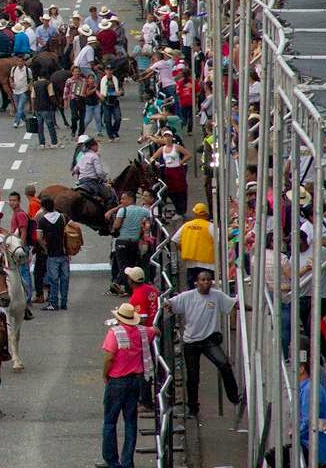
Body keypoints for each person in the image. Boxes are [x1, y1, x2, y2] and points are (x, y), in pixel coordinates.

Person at [165, 269, 241, 419]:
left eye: (208, 280)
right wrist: (166, 306)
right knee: (193, 377)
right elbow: (170, 304)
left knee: (224, 364)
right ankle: (193, 408)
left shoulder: (217, 295)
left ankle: (234, 397)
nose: (206, 282)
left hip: (209, 340)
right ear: (197, 282)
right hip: (191, 342)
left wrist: (251, 308)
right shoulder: (187, 296)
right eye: (203, 280)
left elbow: (233, 305)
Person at [98, 303, 158, 468]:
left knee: (110, 421)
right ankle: (127, 461)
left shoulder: (114, 333)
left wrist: (105, 374)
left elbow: (109, 357)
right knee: (130, 421)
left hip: (117, 380)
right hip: (135, 380)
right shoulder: (142, 332)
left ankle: (111, 460)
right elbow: (155, 330)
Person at [107, 191, 150, 295]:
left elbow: (116, 226)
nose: (121, 201)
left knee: (123, 266)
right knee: (132, 265)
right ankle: (129, 289)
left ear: (130, 199)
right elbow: (150, 217)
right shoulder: (142, 211)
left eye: (123, 199)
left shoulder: (123, 210)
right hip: (134, 242)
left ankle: (118, 283)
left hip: (122, 241)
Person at [171, 203, 216, 289]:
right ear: (206, 214)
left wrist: (183, 250)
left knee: (192, 288)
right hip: (207, 263)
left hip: (191, 263)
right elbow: (219, 241)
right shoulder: (210, 226)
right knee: (207, 288)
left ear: (194, 213)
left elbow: (175, 240)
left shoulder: (186, 225)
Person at [37, 196, 70, 311]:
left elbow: (39, 237)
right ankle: (64, 303)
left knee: (53, 280)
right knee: (65, 279)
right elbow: (73, 227)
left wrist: (45, 247)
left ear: (43, 207)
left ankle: (53, 303)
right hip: (64, 253)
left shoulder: (42, 220)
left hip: (51, 254)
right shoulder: (62, 217)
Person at [74, 138, 115, 209]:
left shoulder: (82, 156)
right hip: (92, 182)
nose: (98, 147)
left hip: (81, 182)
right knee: (110, 195)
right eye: (97, 145)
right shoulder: (94, 156)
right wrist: (104, 179)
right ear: (93, 146)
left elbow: (75, 170)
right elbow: (99, 173)